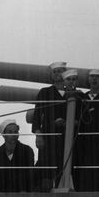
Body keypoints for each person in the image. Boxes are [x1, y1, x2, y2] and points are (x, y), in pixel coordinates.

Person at [32, 61, 68, 189]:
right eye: (55, 71)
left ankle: (60, 189)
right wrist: (38, 135)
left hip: (66, 136)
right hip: (48, 136)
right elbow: (37, 114)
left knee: (63, 165)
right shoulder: (45, 92)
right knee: (46, 166)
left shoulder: (71, 93)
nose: (57, 74)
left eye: (60, 71)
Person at [0, 119, 35, 192]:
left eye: (16, 132)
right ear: (4, 135)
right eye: (10, 132)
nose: (14, 135)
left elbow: (30, 175)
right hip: (1, 196)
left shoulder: (27, 151)